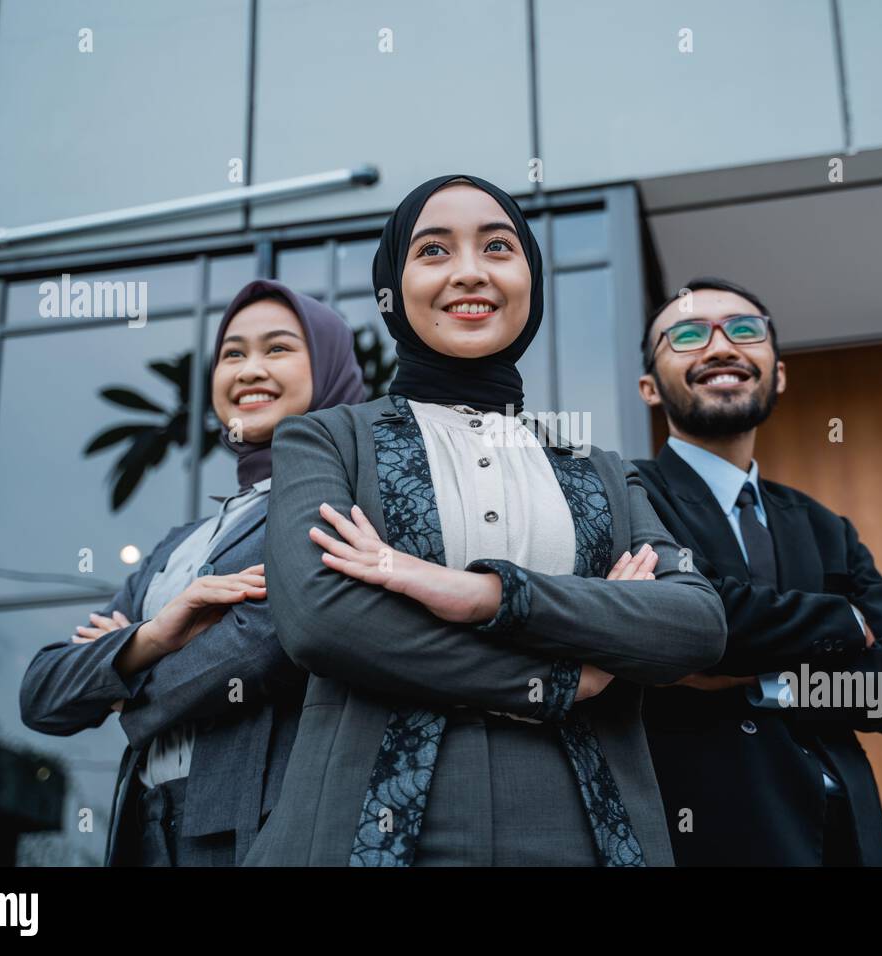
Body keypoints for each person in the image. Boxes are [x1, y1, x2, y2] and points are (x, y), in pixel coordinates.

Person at [243, 174, 726, 867]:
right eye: (433, 251)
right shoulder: (326, 441)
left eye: (498, 247)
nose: (469, 272)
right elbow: (324, 621)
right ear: (393, 284)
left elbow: (694, 625)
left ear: (530, 278)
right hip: (367, 836)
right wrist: (563, 678)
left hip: (590, 836)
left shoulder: (598, 465)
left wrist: (490, 595)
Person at [19, 279, 366, 865]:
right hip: (143, 831)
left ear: (330, 368)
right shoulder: (178, 546)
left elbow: (266, 645)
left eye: (278, 349)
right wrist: (154, 636)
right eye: (232, 354)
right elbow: (42, 695)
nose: (249, 370)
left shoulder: (342, 499)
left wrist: (124, 683)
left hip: (258, 830)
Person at [634, 276, 882, 865]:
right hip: (713, 842)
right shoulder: (626, 494)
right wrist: (846, 621)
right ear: (650, 388)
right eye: (687, 334)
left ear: (777, 372)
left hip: (851, 845)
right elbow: (690, 621)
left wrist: (766, 683)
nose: (722, 347)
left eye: (745, 330)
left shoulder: (824, 525)